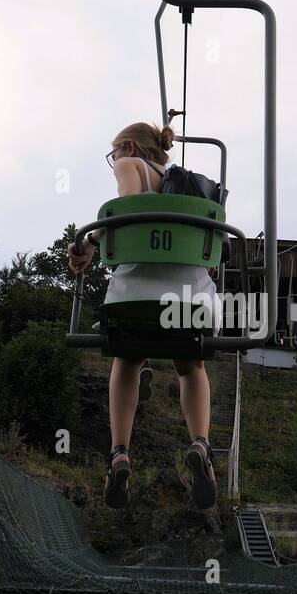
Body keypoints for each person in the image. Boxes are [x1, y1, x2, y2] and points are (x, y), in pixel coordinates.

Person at [68, 122, 218, 510]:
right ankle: (200, 445)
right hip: (191, 300)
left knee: (126, 360)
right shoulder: (189, 190)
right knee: (191, 367)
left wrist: (88, 243)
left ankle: (119, 453)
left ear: (130, 146)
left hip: (134, 298)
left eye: (113, 153)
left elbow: (130, 208)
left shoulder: (129, 164)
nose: (115, 161)